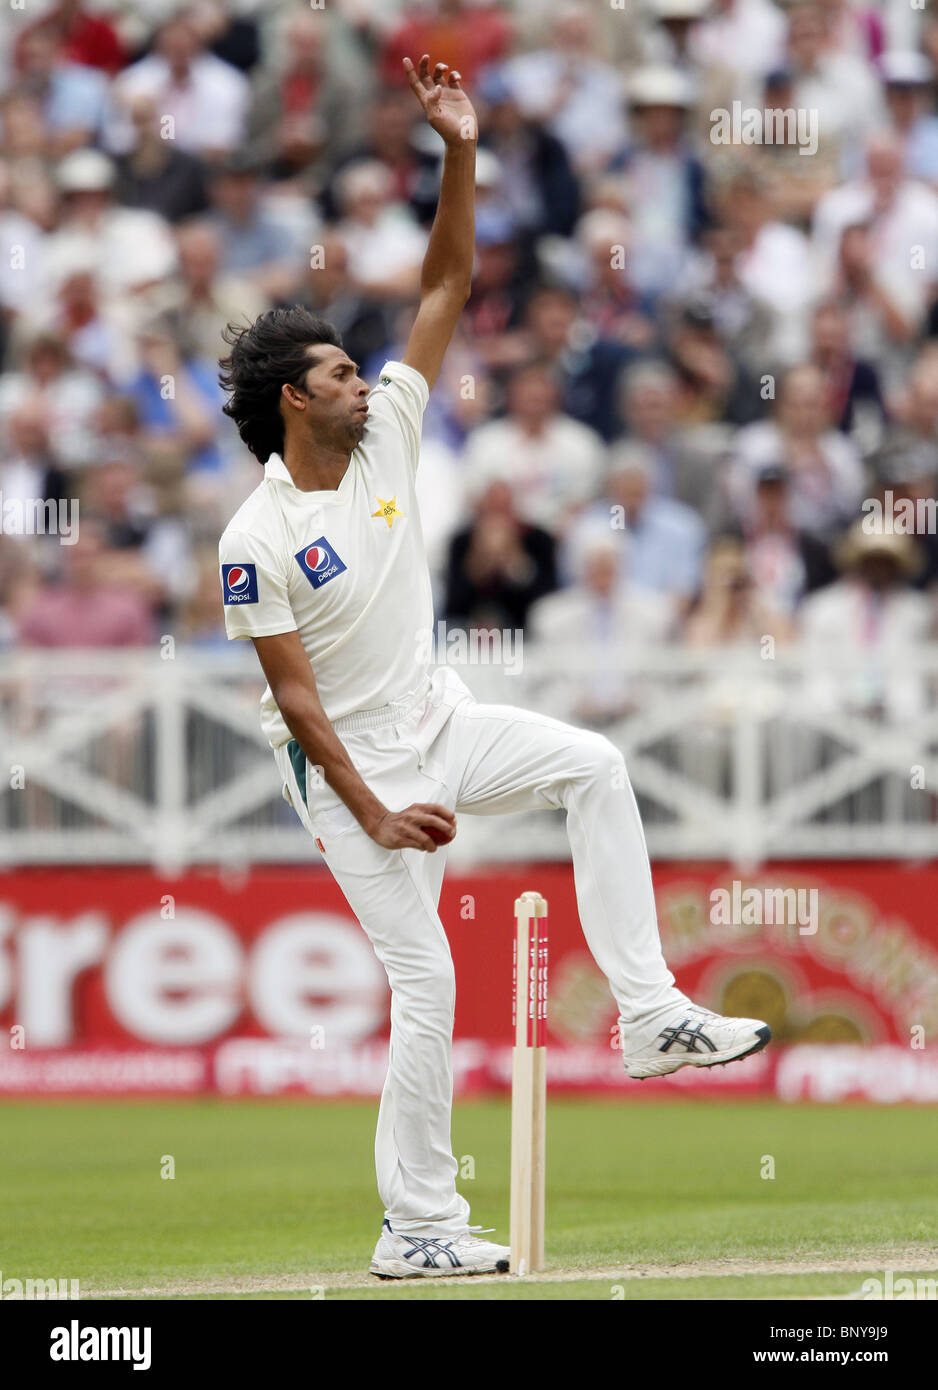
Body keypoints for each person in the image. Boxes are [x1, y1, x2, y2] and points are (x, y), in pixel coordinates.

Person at [217, 56, 770, 1282]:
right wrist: (375, 809)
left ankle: (645, 1013)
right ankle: (414, 1228)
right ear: (288, 404)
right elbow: (295, 699)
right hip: (350, 782)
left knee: (595, 765)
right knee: (429, 991)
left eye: (360, 370)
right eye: (337, 376)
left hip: (442, 721)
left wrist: (457, 150)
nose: (365, 380)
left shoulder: (390, 435)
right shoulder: (252, 536)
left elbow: (448, 276)